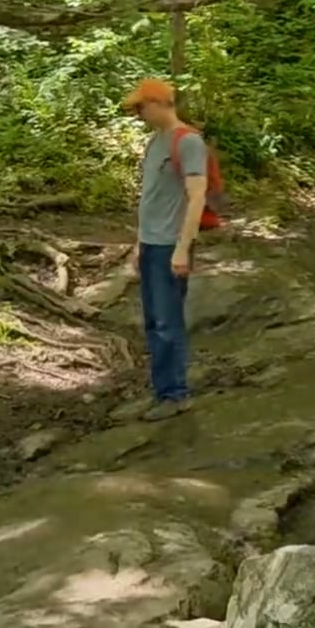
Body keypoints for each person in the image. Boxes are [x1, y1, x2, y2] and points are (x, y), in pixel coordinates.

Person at [123, 78, 207, 420]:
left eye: (141, 107)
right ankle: (162, 390)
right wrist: (138, 242)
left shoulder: (188, 142)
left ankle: (175, 394)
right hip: (150, 244)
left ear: (158, 103)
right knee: (153, 321)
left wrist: (182, 249)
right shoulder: (155, 143)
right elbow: (152, 198)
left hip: (170, 245)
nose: (138, 114)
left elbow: (197, 196)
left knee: (167, 321)